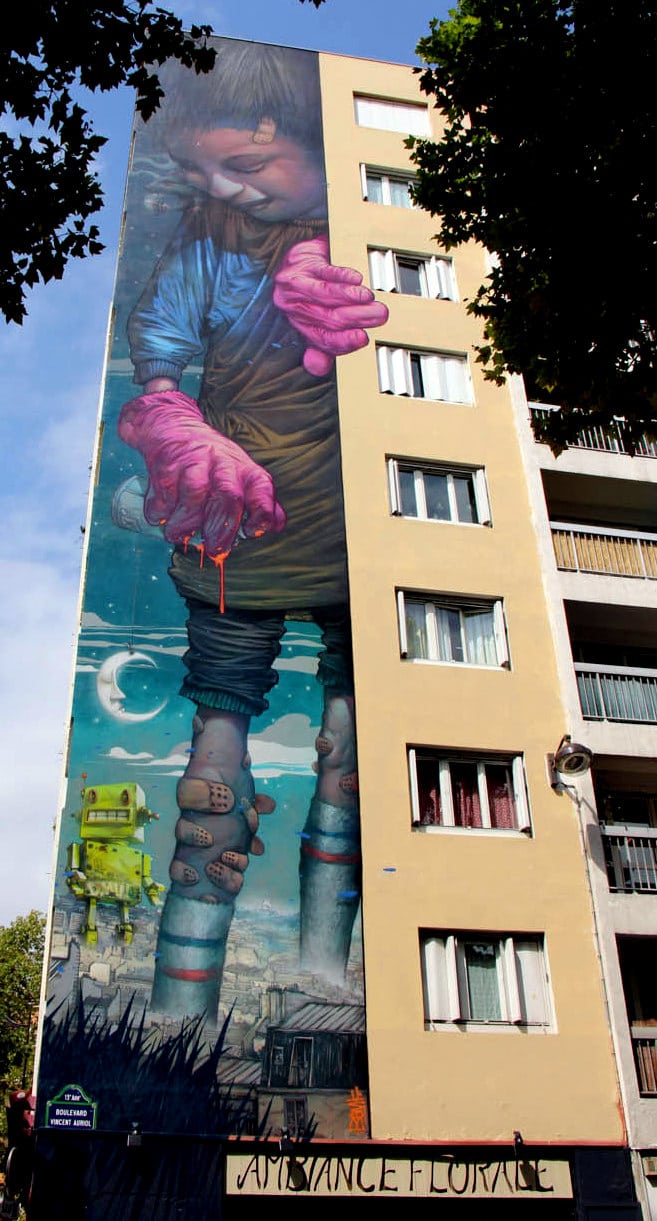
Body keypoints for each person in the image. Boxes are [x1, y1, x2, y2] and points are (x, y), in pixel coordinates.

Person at [118, 40, 388, 1020]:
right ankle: (177, 1017)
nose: (227, 190)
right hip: (234, 548)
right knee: (213, 770)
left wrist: (370, 314)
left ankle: (325, 973)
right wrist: (174, 427)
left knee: (352, 756)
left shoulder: (368, 235)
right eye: (202, 172)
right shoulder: (204, 249)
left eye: (249, 164)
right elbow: (158, 375)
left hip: (368, 556)